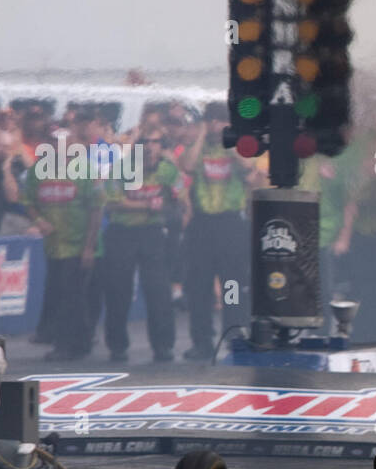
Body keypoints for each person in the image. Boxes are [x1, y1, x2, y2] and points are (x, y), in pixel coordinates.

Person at [178, 103, 254, 360]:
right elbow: (187, 166)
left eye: (220, 120)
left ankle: (233, 334)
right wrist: (200, 134)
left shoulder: (238, 144)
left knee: (232, 282)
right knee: (198, 285)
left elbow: (247, 166)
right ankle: (202, 341)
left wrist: (229, 138)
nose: (214, 125)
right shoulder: (198, 148)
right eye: (211, 120)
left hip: (231, 223)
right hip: (202, 224)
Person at [20, 128, 104, 360]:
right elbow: (28, 201)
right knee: (62, 293)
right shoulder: (37, 171)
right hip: (54, 245)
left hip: (79, 244)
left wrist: (89, 247)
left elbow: (96, 211)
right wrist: (38, 220)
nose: (59, 148)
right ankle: (80, 341)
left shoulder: (87, 172)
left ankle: (66, 345)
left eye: (65, 143)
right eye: (54, 143)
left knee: (72, 295)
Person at [101, 132, 183, 362]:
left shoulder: (168, 170)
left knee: (158, 290)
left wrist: (170, 205)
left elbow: (179, 197)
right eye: (145, 142)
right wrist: (148, 204)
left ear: (160, 146)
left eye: (154, 141)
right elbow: (113, 202)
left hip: (153, 233)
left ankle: (163, 345)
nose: (149, 147)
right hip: (122, 233)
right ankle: (117, 346)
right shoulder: (122, 167)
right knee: (118, 291)